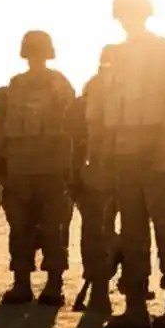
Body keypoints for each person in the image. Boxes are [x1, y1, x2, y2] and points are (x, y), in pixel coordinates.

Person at [86, 0, 165, 328]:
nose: (129, 18)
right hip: (123, 154)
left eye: (133, 11)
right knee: (131, 233)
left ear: (145, 13)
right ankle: (135, 308)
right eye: (124, 12)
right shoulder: (111, 55)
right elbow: (98, 108)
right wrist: (98, 152)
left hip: (156, 151)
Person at [0, 31, 77, 305]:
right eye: (32, 52)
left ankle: (54, 284)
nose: (35, 57)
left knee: (53, 227)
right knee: (20, 227)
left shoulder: (60, 84)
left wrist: (70, 165)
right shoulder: (12, 88)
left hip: (51, 167)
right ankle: (22, 283)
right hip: (20, 169)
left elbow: (74, 126)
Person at [71, 47, 117, 312]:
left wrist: (74, 175)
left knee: (95, 233)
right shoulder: (132, 89)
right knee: (109, 232)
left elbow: (73, 142)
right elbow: (75, 140)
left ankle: (100, 289)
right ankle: (121, 286)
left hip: (100, 173)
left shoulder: (88, 94)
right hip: (108, 171)